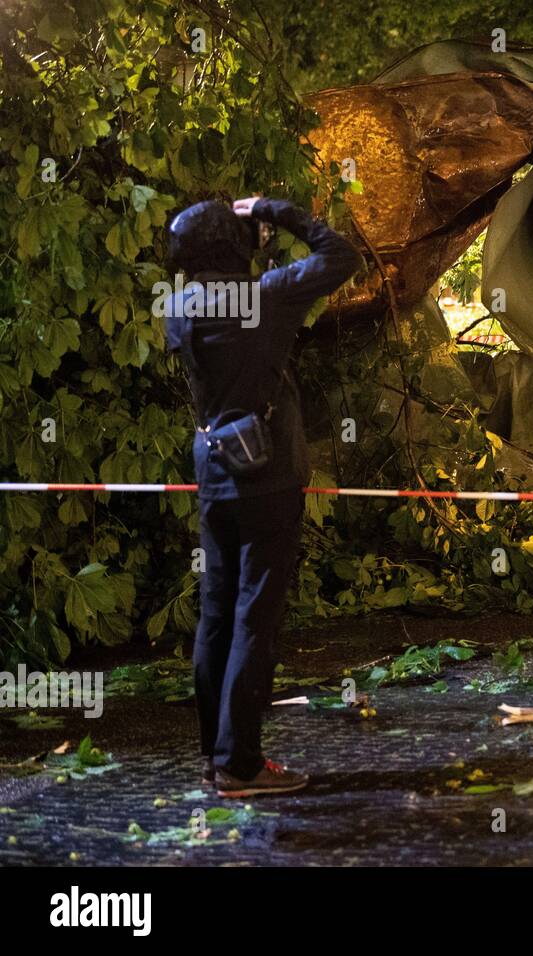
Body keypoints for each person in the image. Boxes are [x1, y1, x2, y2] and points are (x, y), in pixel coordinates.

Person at [163, 196, 361, 798]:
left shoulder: (179, 308)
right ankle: (241, 766)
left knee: (217, 614)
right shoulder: (268, 296)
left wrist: (249, 240)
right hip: (267, 474)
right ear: (237, 245)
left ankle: (216, 757)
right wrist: (274, 210)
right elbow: (340, 254)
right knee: (256, 616)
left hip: (214, 465)